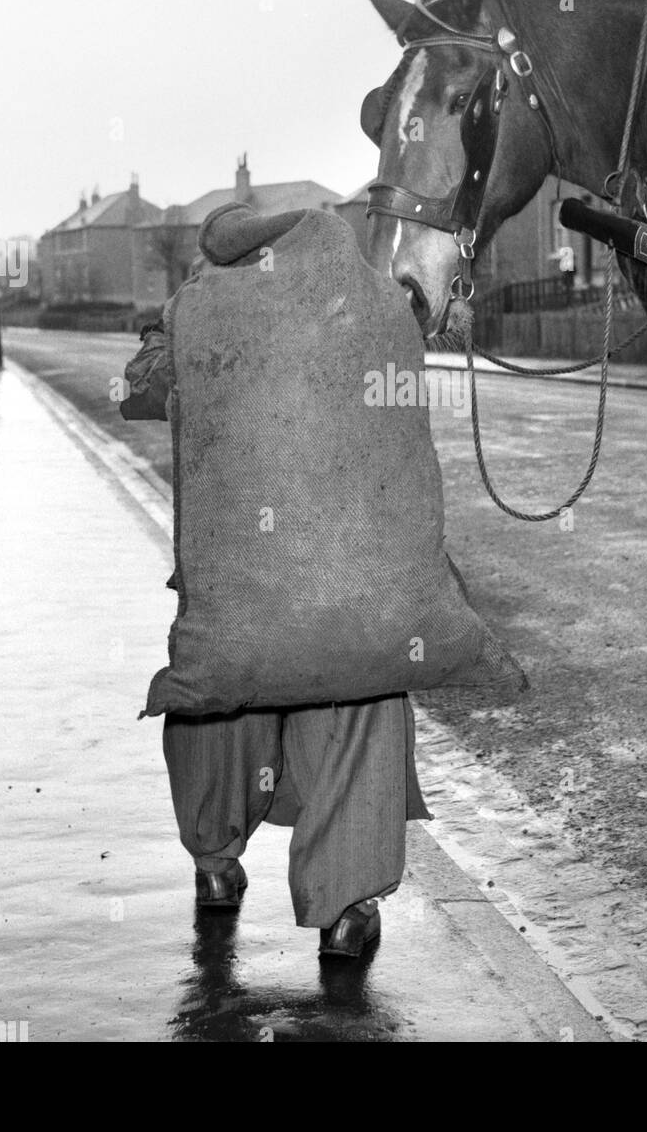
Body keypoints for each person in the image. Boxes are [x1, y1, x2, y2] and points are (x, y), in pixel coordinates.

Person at [121, 316, 429, 958]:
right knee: (353, 710)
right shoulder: (349, 305)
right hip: (333, 584)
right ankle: (343, 910)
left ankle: (214, 868)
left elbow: (139, 393)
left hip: (231, 584)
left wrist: (169, 334)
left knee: (217, 707)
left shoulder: (202, 309)